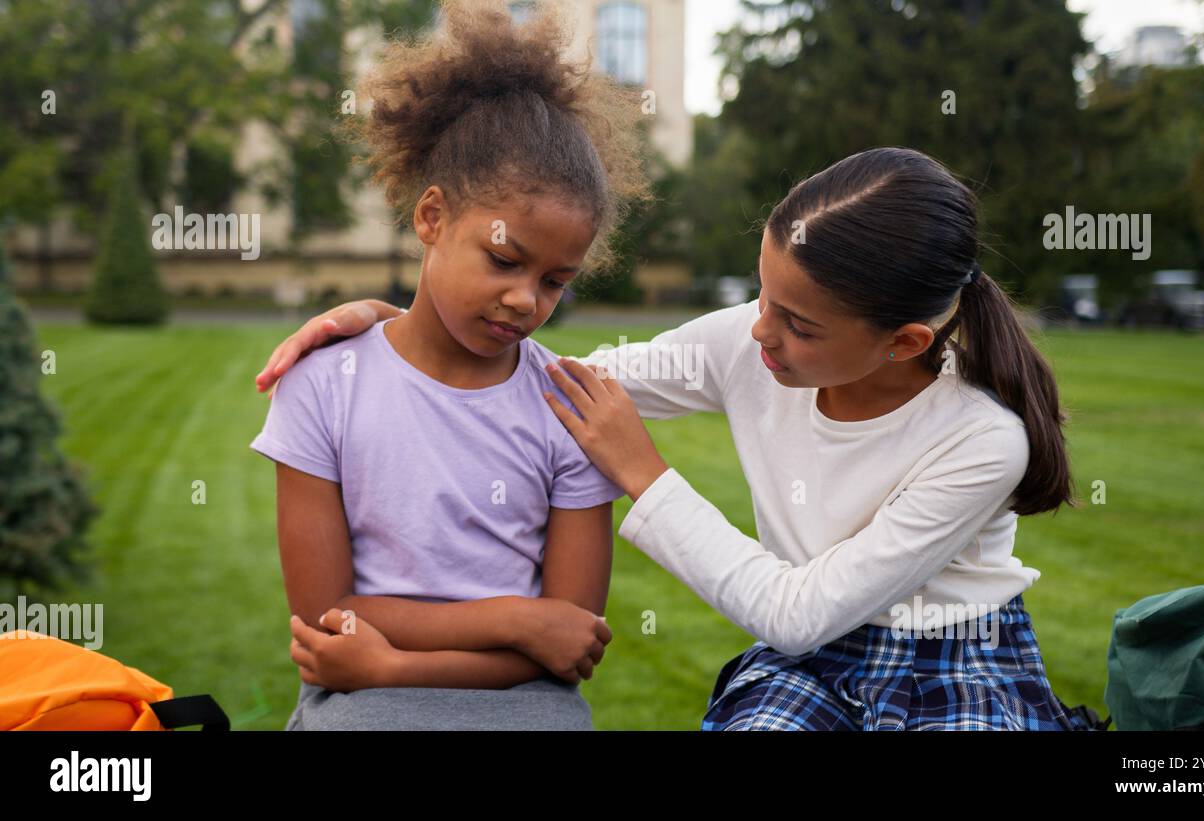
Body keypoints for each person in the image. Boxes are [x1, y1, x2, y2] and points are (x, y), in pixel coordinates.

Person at [257, 147, 1093, 731]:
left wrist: (643, 472)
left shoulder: (982, 441)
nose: (758, 334)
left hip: (954, 659)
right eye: (761, 296)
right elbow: (554, 377)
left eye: (796, 323)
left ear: (903, 342)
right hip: (816, 672)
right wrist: (390, 326)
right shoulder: (751, 340)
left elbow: (795, 613)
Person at [248, 0, 647, 730]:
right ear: (431, 217)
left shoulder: (570, 410)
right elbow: (325, 616)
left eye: (557, 280)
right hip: (360, 701)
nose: (525, 299)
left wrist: (399, 661)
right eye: (503, 259)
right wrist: (513, 619)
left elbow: (566, 642)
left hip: (523, 706)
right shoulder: (320, 389)